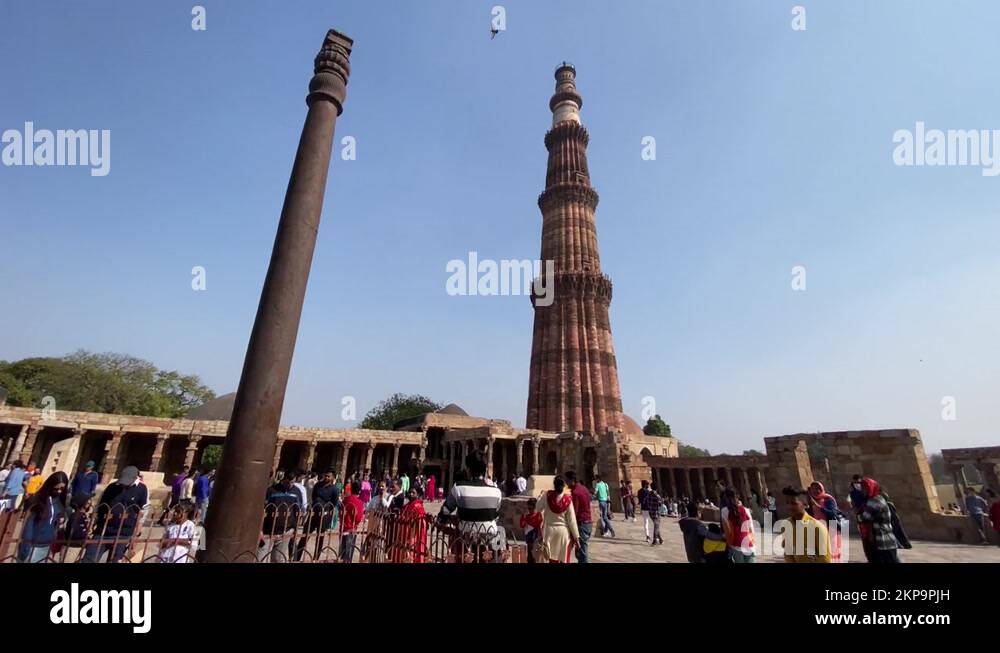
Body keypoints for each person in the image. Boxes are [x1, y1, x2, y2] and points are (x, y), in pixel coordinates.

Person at [438, 450, 503, 562]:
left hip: (466, 544)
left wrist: (442, 520)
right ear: (486, 469)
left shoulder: (459, 488)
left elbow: (445, 511)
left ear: (468, 470)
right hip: (490, 544)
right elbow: (495, 516)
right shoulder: (496, 492)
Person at [83, 466, 148, 563]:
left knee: (115, 560)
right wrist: (92, 523)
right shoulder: (112, 487)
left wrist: (136, 534)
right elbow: (100, 506)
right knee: (89, 559)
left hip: (124, 533)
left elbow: (143, 511)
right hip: (103, 530)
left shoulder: (142, 489)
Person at [18, 471, 69, 562]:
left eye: (62, 489)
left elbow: (59, 520)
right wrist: (25, 549)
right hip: (33, 547)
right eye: (56, 488)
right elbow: (28, 527)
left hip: (47, 546)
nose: (59, 491)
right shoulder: (38, 501)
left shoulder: (59, 502)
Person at [530, 476, 579, 563]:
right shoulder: (568, 500)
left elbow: (537, 508)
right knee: (563, 558)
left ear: (554, 485)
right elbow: (572, 520)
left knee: (549, 556)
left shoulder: (547, 495)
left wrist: (540, 497)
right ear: (563, 486)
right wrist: (576, 537)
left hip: (549, 531)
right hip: (563, 532)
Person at [297, 469, 340, 561]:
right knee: (305, 534)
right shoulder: (318, 485)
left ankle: (316, 558)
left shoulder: (334, 489)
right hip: (314, 513)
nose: (327, 478)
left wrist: (327, 513)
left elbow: (334, 503)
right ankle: (297, 556)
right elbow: (313, 496)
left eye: (329, 476)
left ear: (332, 477)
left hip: (324, 515)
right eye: (326, 476)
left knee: (320, 537)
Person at [259, 471, 302, 563]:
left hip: (286, 530)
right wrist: (260, 529)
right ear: (282, 480)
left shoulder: (296, 492)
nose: (290, 485)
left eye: (292, 482)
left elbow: (298, 511)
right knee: (261, 557)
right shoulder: (272, 490)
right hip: (268, 530)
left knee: (278, 559)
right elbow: (263, 509)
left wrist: (294, 529)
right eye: (287, 482)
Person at [780, 487, 832, 563]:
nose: (789, 506)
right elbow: (788, 553)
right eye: (787, 503)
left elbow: (825, 559)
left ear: (806, 505)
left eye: (794, 503)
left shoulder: (817, 527)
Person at [856, 478, 899, 563]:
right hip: (886, 539)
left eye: (864, 488)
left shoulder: (874, 501)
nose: (862, 490)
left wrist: (858, 516)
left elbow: (864, 517)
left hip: (882, 540)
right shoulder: (880, 498)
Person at [807, 481, 844, 562]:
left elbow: (832, 513)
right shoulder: (810, 502)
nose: (815, 491)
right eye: (813, 489)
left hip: (830, 529)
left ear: (822, 489)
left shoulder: (828, 499)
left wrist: (818, 506)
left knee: (832, 552)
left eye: (818, 489)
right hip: (817, 530)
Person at [564, 471, 593, 562]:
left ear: (572, 480)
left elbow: (574, 512)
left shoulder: (576, 492)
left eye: (567, 481)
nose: (566, 483)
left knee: (581, 552)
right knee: (580, 550)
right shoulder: (584, 488)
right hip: (587, 522)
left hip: (582, 523)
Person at [721, 488, 756, 562]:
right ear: (738, 496)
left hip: (736, 544)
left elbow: (727, 531)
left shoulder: (724, 511)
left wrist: (729, 544)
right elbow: (751, 529)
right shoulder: (746, 510)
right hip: (749, 544)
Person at [395, 486, 428, 562]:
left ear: (418, 495)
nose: (411, 494)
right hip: (404, 533)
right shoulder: (406, 506)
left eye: (413, 493)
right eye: (410, 492)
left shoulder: (418, 506)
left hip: (413, 534)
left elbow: (421, 522)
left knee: (412, 552)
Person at [340, 480, 365, 562]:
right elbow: (358, 518)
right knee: (349, 551)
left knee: (343, 550)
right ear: (359, 491)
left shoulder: (345, 500)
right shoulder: (359, 502)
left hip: (343, 527)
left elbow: (341, 513)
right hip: (352, 528)